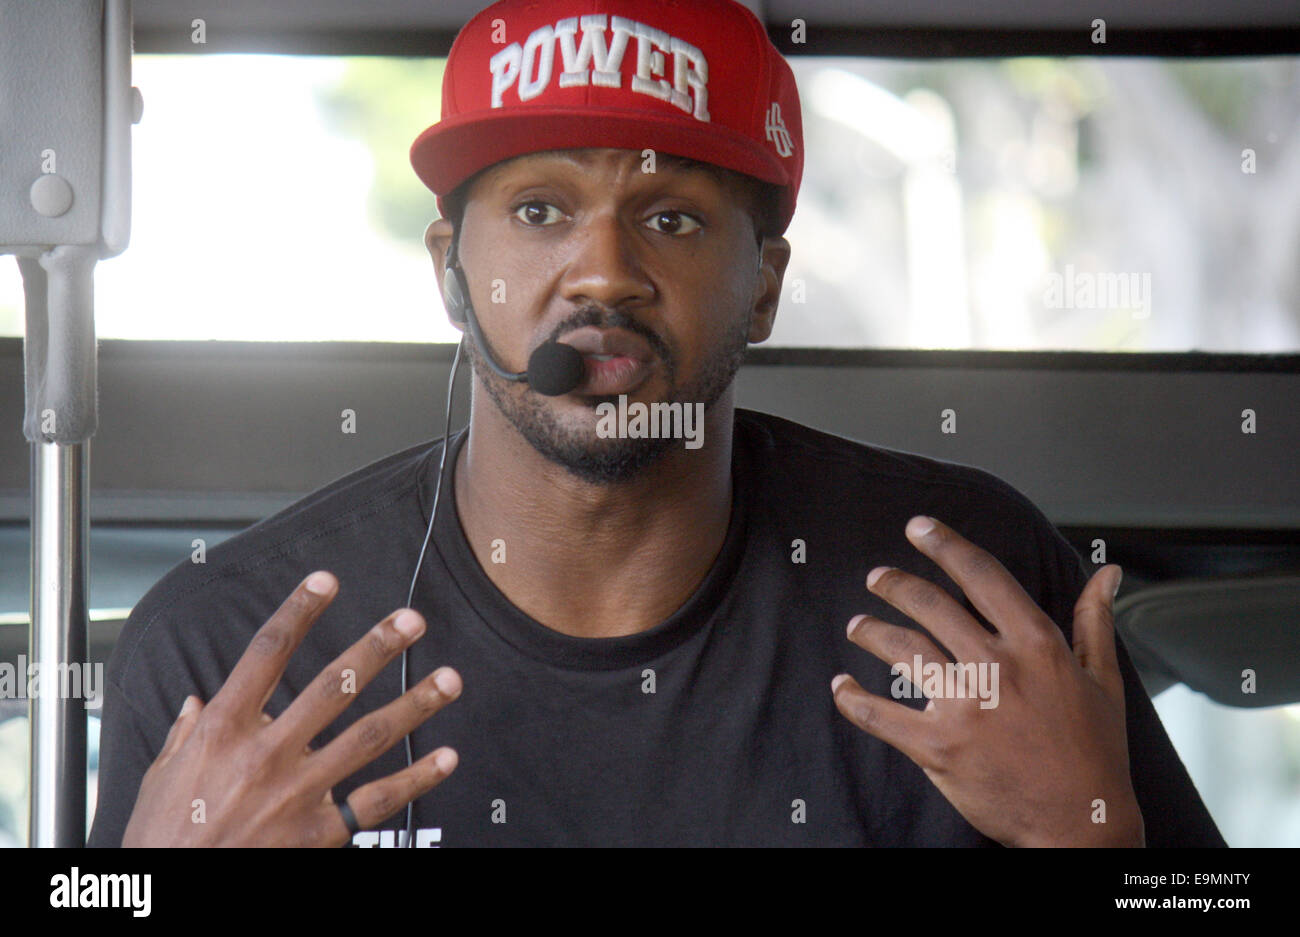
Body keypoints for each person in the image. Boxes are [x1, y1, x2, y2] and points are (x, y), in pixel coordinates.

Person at [88, 0, 1224, 847]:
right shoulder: (229, 646)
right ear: (452, 270)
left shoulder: (966, 583)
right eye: (540, 210)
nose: (604, 274)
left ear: (764, 287)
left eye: (671, 216)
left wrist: (1095, 837)